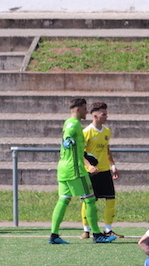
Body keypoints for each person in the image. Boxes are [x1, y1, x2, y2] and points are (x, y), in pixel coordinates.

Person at [50, 98, 115, 245]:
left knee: (63, 200)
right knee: (90, 199)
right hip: (76, 170)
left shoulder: (68, 121)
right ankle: (97, 235)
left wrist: (81, 152)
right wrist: (67, 141)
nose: (87, 111)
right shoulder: (74, 124)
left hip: (63, 168)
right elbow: (68, 134)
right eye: (85, 109)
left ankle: (54, 235)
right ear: (78, 109)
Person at [82, 102, 121, 239]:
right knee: (89, 201)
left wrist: (113, 166)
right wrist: (89, 167)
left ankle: (108, 229)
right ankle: (86, 230)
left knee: (111, 199)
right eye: (103, 114)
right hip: (91, 172)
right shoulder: (87, 132)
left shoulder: (107, 131)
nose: (106, 116)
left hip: (105, 171)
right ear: (95, 115)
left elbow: (107, 149)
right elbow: (80, 153)